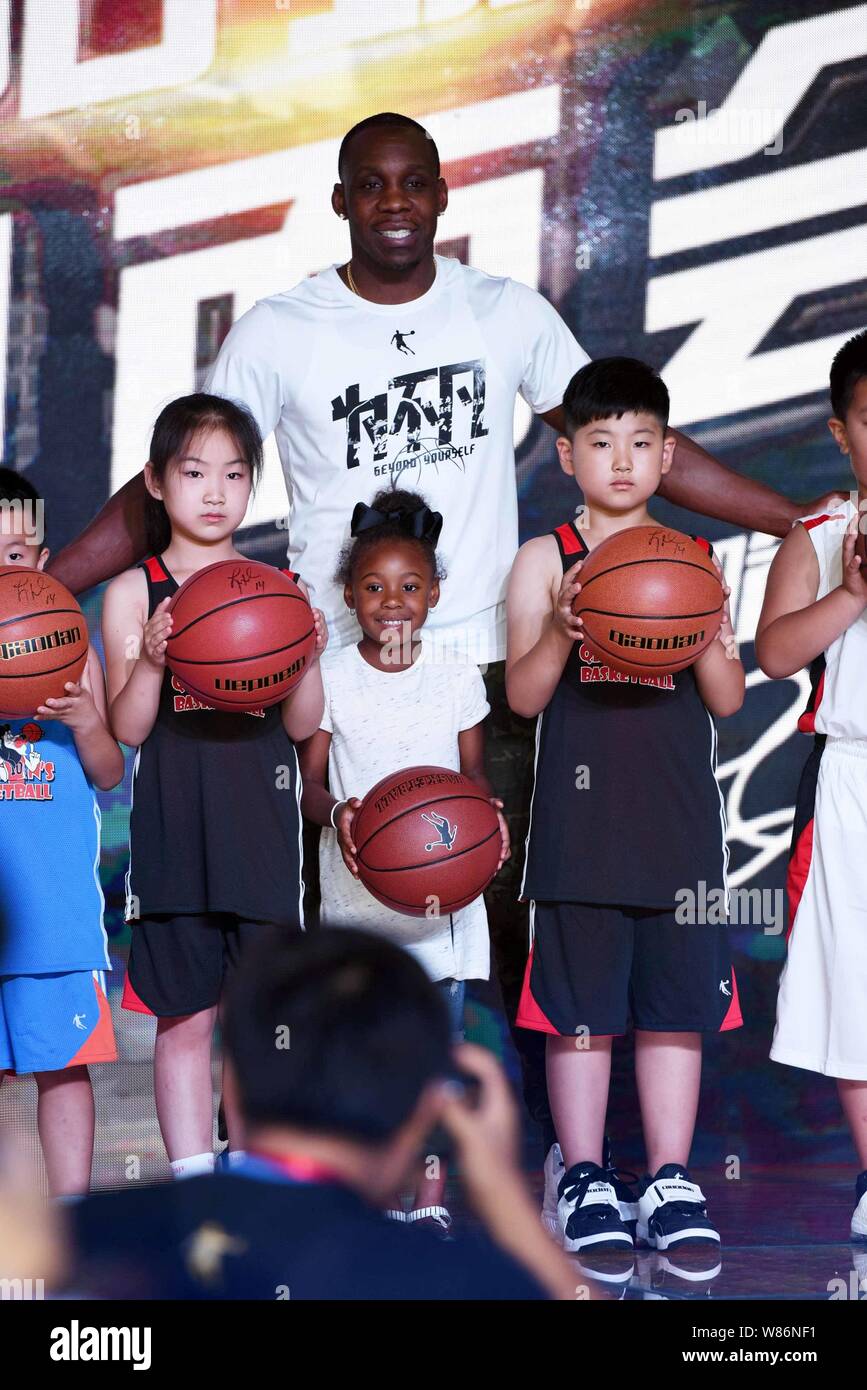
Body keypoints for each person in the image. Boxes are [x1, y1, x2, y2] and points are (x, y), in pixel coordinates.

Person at [44, 111, 841, 1152]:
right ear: (340, 201)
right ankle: (296, 1165)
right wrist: (46, 585)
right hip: (329, 678)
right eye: (370, 185)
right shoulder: (283, 329)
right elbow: (175, 479)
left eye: (414, 182)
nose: (394, 204)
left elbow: (630, 440)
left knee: (514, 925)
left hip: (487, 671)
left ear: (442, 195)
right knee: (322, 937)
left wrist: (797, 520)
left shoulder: (502, 312)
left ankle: (558, 1162)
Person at [506, 358, 745, 1255]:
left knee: (674, 1008)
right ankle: (583, 1175)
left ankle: (671, 1178)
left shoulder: (696, 561)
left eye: (639, 443)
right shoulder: (544, 560)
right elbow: (525, 700)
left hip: (679, 831)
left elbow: (724, 697)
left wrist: (712, 629)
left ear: (666, 454)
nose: (619, 461)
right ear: (565, 455)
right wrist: (564, 632)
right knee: (582, 1013)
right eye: (599, 443)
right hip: (579, 838)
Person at [68, 927, 577, 1300]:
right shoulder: (466, 1281)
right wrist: (504, 1194)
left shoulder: (71, 1246)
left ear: (236, 1083)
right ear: (428, 1114)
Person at [100, 394, 326, 1180]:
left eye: (234, 473)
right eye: (194, 471)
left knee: (263, 1022)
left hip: (260, 841)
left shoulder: (276, 587)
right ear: (157, 482)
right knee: (184, 1018)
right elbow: (127, 729)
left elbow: (304, 725)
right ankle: (195, 1184)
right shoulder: (137, 592)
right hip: (175, 844)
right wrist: (155, 661)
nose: (215, 490)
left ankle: (260, 1175)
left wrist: (306, 654)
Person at [298, 487, 509, 1234]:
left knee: (432, 1065)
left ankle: (426, 1202)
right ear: (351, 594)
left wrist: (489, 820)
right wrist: (340, 814)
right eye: (375, 586)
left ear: (436, 594)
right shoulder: (328, 673)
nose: (393, 601)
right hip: (356, 914)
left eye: (410, 586)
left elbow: (474, 776)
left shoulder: (454, 677)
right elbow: (309, 785)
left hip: (440, 915)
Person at [755, 328, 867, 1241]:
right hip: (852, 785)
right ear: (840, 432)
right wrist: (854, 593)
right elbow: (775, 650)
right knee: (852, 987)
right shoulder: (820, 533)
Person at [0, 467, 124, 1196]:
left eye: (15, 555)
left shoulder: (74, 652)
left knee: (62, 1066)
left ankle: (73, 1216)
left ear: (43, 565)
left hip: (54, 916)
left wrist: (85, 721)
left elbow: (108, 772)